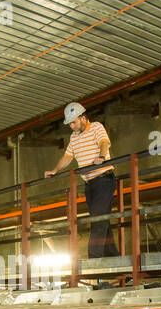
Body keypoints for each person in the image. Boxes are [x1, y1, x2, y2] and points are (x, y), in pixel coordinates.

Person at [45, 102, 120, 258]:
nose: (72, 126)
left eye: (74, 122)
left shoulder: (96, 127)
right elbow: (67, 157)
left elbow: (104, 142)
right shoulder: (73, 138)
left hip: (103, 179)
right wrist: (55, 170)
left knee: (98, 220)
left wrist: (101, 156)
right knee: (101, 220)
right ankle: (115, 258)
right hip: (89, 183)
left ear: (83, 118)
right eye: (70, 123)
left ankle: (93, 260)